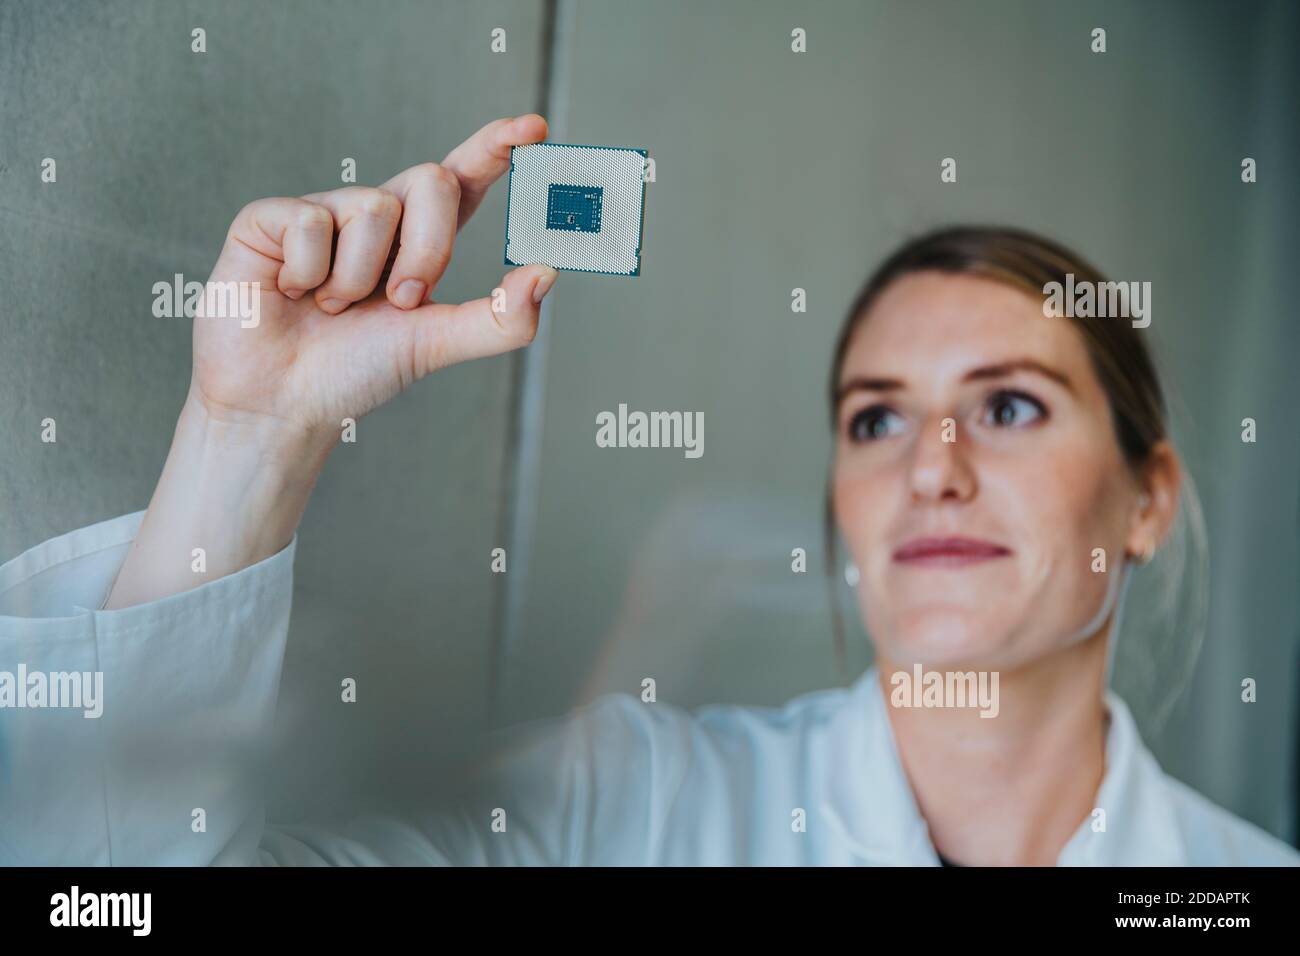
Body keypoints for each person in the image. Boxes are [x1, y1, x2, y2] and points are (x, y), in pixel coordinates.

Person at [0, 115, 1295, 866]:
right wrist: (252, 433)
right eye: (875, 418)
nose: (932, 468)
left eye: (1008, 406)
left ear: (1148, 498)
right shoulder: (639, 810)